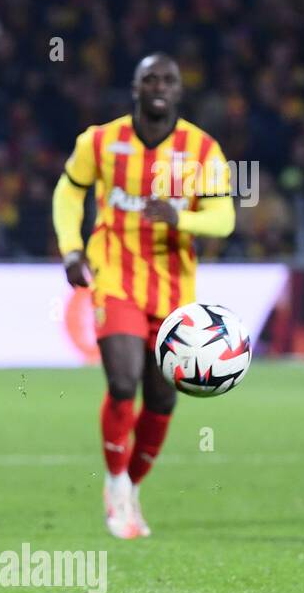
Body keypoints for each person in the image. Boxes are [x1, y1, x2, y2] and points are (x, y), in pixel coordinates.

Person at [53, 53, 236, 539]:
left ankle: (132, 487)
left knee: (161, 400)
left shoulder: (201, 149)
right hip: (114, 278)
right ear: (135, 87)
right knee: (123, 380)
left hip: (176, 291)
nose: (159, 86)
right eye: (149, 78)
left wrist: (182, 218)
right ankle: (114, 483)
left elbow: (224, 218)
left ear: (179, 90)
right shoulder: (100, 140)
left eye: (168, 79)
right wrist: (72, 249)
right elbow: (68, 192)